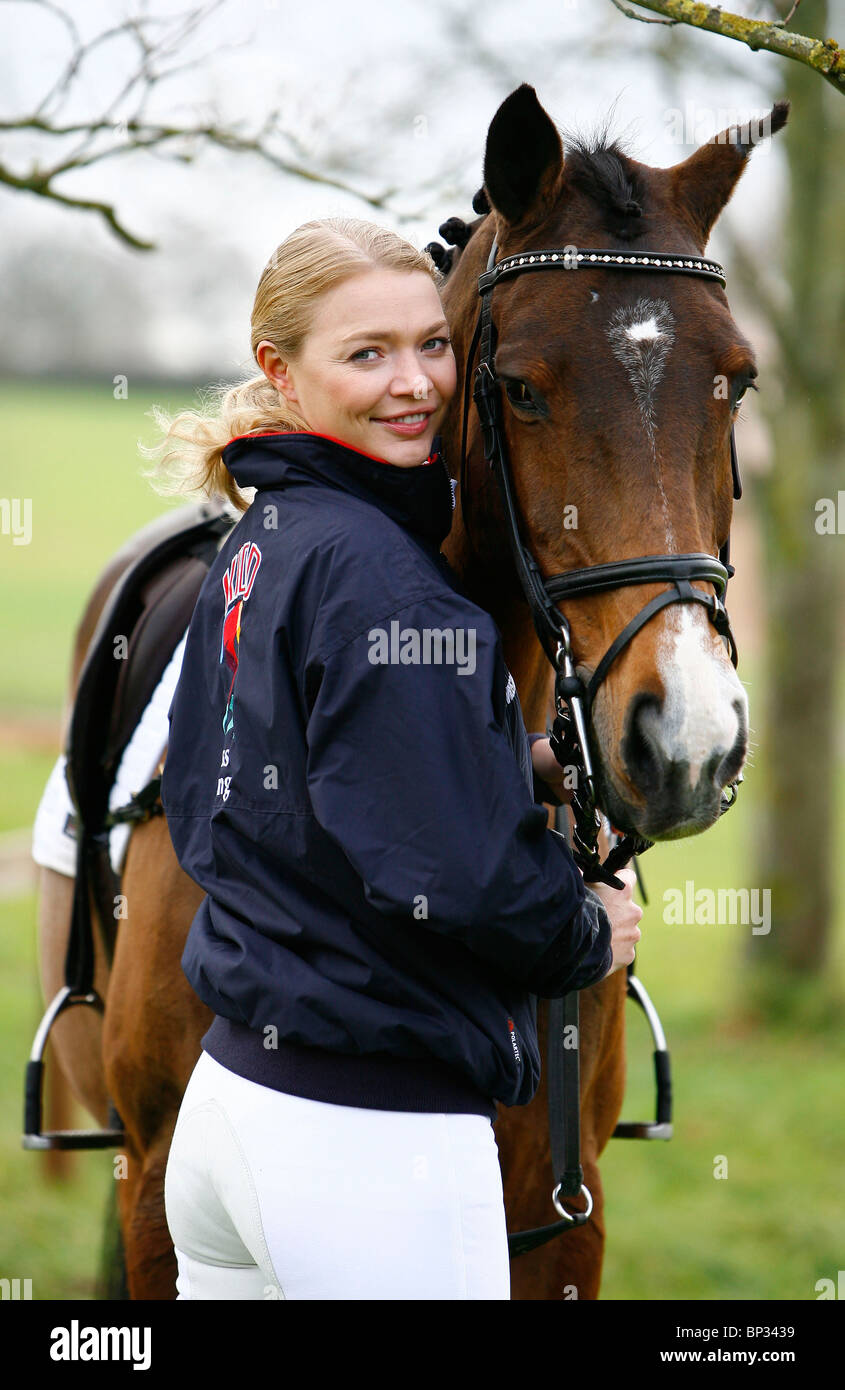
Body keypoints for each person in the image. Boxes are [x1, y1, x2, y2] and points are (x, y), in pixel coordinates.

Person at [147, 217, 643, 1301]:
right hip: (369, 1153)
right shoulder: (392, 585)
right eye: (366, 353)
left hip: (230, 1111)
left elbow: (252, 784)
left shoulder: (265, 535)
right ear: (280, 370)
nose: (414, 382)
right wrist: (581, 930)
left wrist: (503, 762)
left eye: (431, 343)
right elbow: (458, 876)